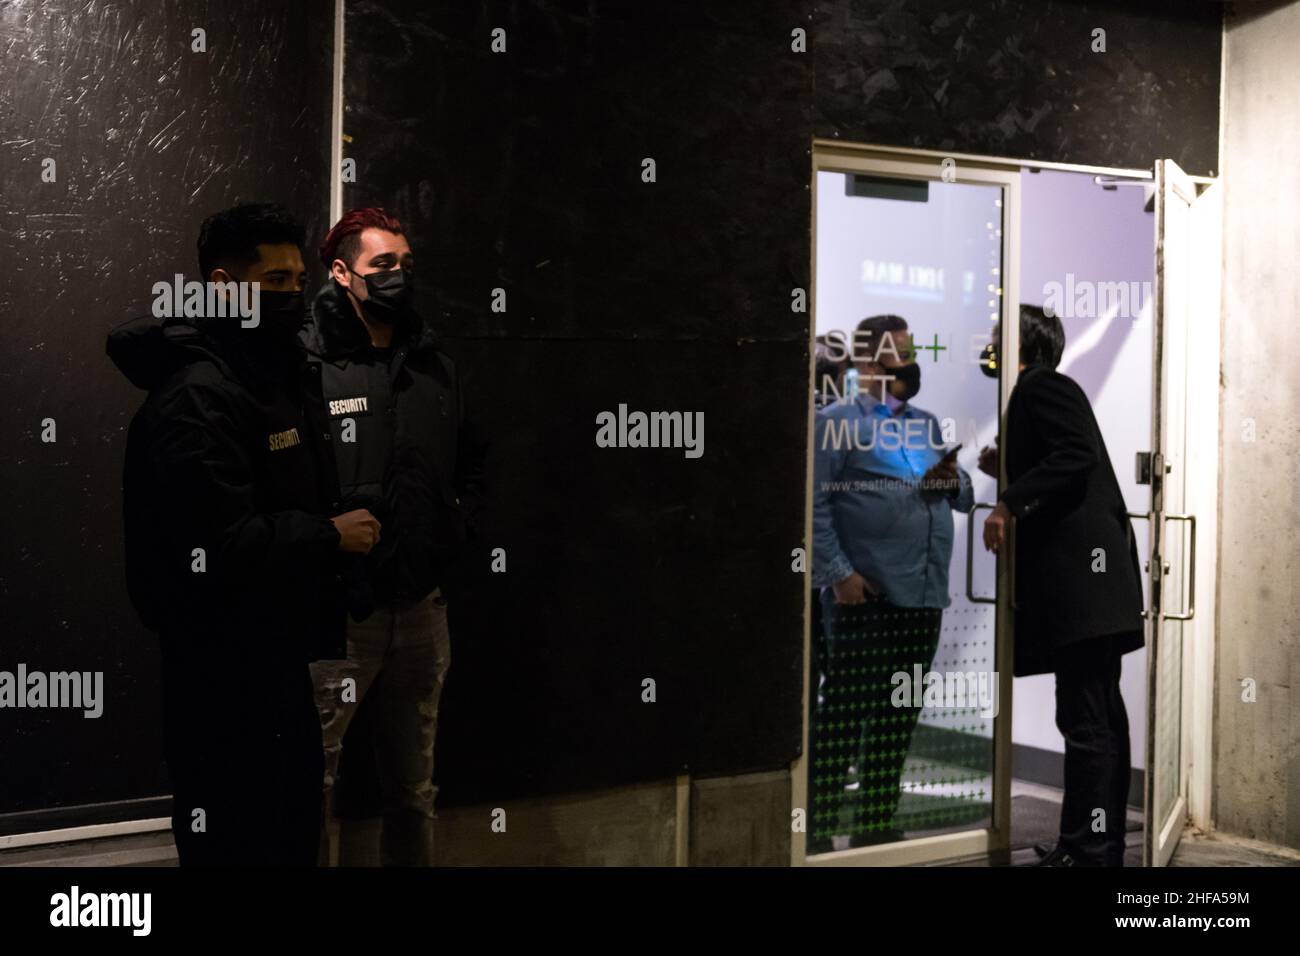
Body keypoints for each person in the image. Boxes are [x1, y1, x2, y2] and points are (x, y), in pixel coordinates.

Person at [107, 203, 380, 866]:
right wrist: (328, 535)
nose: (292, 296)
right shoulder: (197, 399)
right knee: (238, 842)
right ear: (225, 285)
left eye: (296, 281)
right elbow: (217, 550)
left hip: (278, 668)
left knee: (289, 838)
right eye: (275, 282)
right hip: (222, 688)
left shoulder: (273, 376)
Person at [305, 207, 485, 866]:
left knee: (414, 791)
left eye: (406, 266)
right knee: (309, 785)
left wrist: (454, 527)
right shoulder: (309, 364)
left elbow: (473, 459)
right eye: (383, 265)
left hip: (420, 610)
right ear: (342, 271)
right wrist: (321, 541)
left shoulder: (435, 366)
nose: (398, 278)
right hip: (337, 618)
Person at [980, 304, 1144, 867]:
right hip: (1095, 592)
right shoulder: (1043, 390)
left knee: (1087, 723)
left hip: (1086, 592)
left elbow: (1075, 455)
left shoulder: (1039, 385)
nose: (990, 347)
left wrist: (1008, 500)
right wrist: (1007, 469)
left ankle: (1089, 851)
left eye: (999, 337)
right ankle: (1097, 846)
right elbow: (1066, 459)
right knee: (1099, 722)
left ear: (1022, 346)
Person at [810, 314, 974, 853]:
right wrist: (839, 575)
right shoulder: (836, 422)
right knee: (844, 716)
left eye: (910, 352)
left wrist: (954, 480)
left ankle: (877, 826)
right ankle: (815, 831)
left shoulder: (924, 423)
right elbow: (814, 505)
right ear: (865, 364)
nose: (909, 365)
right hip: (866, 597)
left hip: (922, 594)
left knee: (898, 713)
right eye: (897, 355)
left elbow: (963, 490)